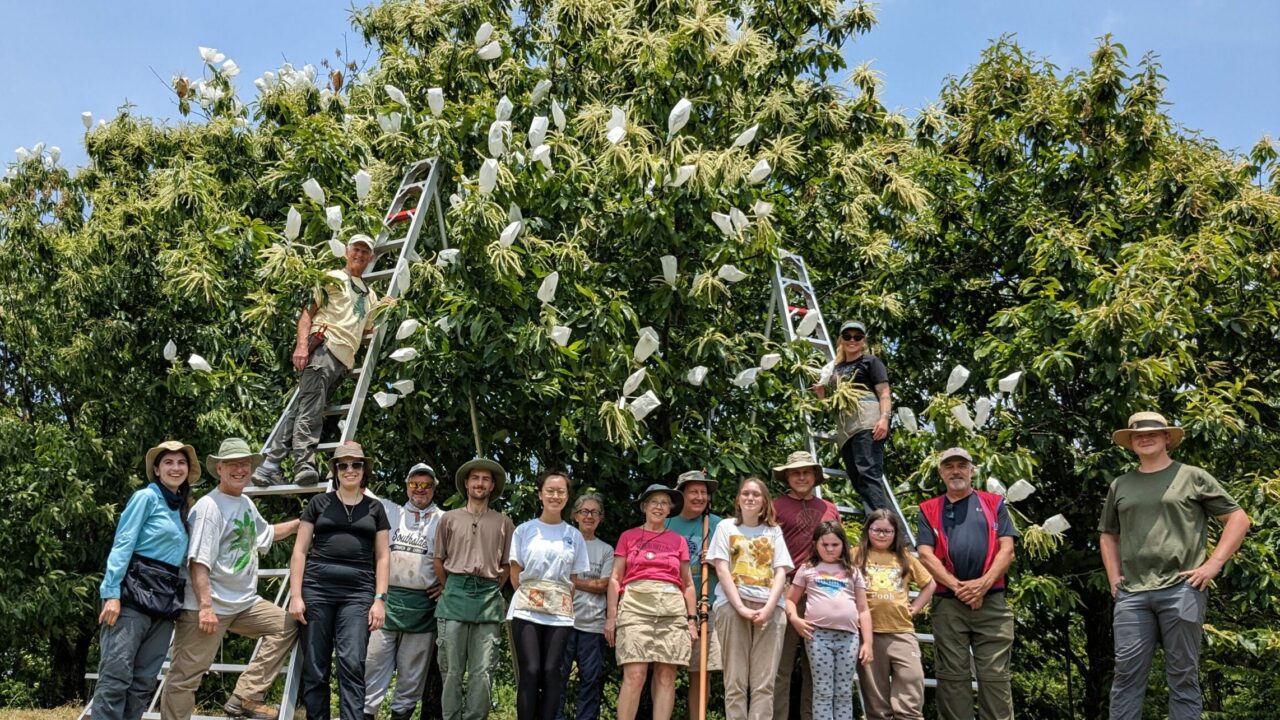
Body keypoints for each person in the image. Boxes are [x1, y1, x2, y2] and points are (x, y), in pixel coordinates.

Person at [1100, 412, 1251, 720]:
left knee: (1183, 673)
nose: (1146, 437)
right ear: (1130, 442)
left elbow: (1238, 518)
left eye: (1154, 432)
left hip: (1183, 588)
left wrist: (1213, 565)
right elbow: (1108, 534)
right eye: (1138, 434)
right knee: (1126, 675)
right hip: (1132, 594)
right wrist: (1114, 577)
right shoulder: (1120, 484)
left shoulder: (1192, 476)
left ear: (1167, 437)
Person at [160, 438, 300, 720]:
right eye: (234, 464)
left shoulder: (245, 502)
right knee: (185, 678)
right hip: (207, 607)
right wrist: (206, 607)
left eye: (245, 464)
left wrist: (303, 522)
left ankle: (245, 698)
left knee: (287, 624)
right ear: (220, 469)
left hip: (243, 604)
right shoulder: (209, 507)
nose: (240, 470)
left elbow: (267, 534)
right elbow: (198, 562)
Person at [253, 234, 393, 487]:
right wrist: (302, 345)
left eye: (365, 252)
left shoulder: (370, 294)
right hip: (324, 349)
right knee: (310, 411)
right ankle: (303, 464)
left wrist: (385, 308)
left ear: (371, 257)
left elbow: (367, 329)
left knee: (302, 408)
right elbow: (308, 313)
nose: (359, 256)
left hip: (342, 361)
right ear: (346, 252)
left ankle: (270, 465)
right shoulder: (333, 278)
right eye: (356, 250)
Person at [91, 440, 195, 720]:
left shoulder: (183, 508)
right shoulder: (146, 498)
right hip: (131, 600)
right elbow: (123, 543)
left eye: (181, 462)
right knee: (116, 677)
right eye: (169, 462)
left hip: (163, 606)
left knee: (143, 683)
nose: (176, 468)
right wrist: (111, 593)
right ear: (157, 470)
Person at [289, 441, 391, 720]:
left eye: (355, 464)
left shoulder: (375, 508)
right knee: (315, 665)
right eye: (343, 465)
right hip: (316, 590)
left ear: (363, 470)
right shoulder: (318, 503)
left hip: (358, 594)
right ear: (335, 470)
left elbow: (383, 557)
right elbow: (299, 551)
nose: (349, 469)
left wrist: (380, 600)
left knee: (351, 662)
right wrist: (296, 595)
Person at [916, 448, 1017, 720]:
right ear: (941, 473)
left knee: (995, 677)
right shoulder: (928, 509)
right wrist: (960, 588)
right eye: (949, 467)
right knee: (952, 677)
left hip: (992, 601)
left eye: (962, 465)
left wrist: (982, 585)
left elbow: (1007, 550)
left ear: (972, 470)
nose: (956, 471)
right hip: (949, 603)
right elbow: (925, 555)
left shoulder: (994, 503)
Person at [433, 457, 516, 720]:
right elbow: (438, 559)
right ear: (466, 484)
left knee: (483, 671)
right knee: (451, 670)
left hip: (489, 598)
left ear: (492, 486)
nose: (480, 483)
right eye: (475, 478)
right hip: (454, 594)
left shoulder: (504, 522)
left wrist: (491, 587)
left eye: (486, 479)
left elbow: (507, 565)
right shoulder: (449, 518)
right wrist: (451, 587)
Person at [606, 484, 697, 720]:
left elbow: (687, 584)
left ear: (670, 510)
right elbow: (615, 579)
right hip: (635, 606)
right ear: (644, 506)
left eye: (665, 502)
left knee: (666, 676)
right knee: (635, 675)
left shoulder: (679, 541)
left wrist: (691, 620)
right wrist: (611, 617)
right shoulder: (628, 536)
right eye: (654, 501)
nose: (659, 506)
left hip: (672, 608)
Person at [364, 462, 444, 720]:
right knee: (373, 667)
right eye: (414, 484)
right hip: (386, 602)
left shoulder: (445, 519)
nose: (420, 490)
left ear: (434, 489)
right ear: (406, 486)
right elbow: (357, 485)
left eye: (426, 485)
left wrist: (447, 583)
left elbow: (463, 553)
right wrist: (355, 454)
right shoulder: (390, 510)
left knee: (412, 676)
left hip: (423, 607)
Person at [708, 476, 793, 720]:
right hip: (732, 608)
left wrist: (768, 608)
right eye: (745, 493)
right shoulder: (726, 527)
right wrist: (740, 607)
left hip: (770, 609)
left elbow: (780, 572)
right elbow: (722, 569)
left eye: (756, 494)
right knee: (735, 681)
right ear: (738, 499)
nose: (750, 498)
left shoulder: (773, 531)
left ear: (764, 502)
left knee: (764, 683)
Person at [508, 470, 591, 720]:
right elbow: (515, 575)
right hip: (526, 609)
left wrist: (554, 597)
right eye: (550, 491)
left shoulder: (574, 536)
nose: (555, 496)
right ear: (540, 494)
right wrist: (535, 596)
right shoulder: (524, 530)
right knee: (531, 670)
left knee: (551, 671)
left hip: (560, 612)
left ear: (567, 497)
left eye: (561, 491)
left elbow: (574, 580)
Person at [771, 450, 841, 720]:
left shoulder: (829, 508)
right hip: (788, 589)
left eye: (806, 472)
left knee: (817, 667)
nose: (801, 477)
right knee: (781, 665)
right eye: (795, 472)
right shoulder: (775, 505)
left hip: (824, 591)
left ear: (814, 476)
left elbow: (839, 549)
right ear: (787, 476)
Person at [852, 510, 935, 720]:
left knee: (912, 684)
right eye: (876, 530)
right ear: (868, 530)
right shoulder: (855, 555)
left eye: (887, 531)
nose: (881, 535)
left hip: (901, 632)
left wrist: (915, 607)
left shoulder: (904, 558)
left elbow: (929, 584)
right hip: (869, 635)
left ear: (895, 533)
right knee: (876, 704)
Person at [786, 521, 873, 720]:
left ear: (843, 544)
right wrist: (796, 620)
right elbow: (790, 600)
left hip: (849, 637)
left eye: (835, 544)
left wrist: (867, 642)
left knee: (843, 691)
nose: (830, 549)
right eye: (825, 544)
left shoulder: (853, 571)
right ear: (816, 544)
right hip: (818, 636)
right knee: (823, 690)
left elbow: (863, 609)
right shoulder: (808, 568)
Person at [812, 319, 892, 513]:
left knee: (868, 472)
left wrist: (884, 418)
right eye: (847, 336)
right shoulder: (835, 369)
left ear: (863, 341)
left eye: (857, 337)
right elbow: (830, 407)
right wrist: (821, 394)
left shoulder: (870, 362)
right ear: (841, 340)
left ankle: (882, 523)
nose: (852, 340)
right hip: (846, 429)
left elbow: (884, 393)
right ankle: (884, 522)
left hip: (867, 423)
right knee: (857, 477)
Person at [664, 470, 723, 718]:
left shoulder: (718, 525)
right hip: (670, 607)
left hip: (705, 608)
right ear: (682, 495)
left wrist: (716, 559)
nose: (700, 497)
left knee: (701, 672)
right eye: (694, 492)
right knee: (665, 671)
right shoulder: (665, 522)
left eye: (704, 492)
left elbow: (734, 566)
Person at [556, 492, 613, 720]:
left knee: (591, 679)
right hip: (563, 621)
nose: (589, 516)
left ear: (601, 518)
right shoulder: (563, 542)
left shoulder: (607, 550)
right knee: (557, 677)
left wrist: (572, 581)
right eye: (584, 511)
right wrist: (585, 583)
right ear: (575, 515)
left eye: (595, 512)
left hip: (593, 625)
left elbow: (603, 585)